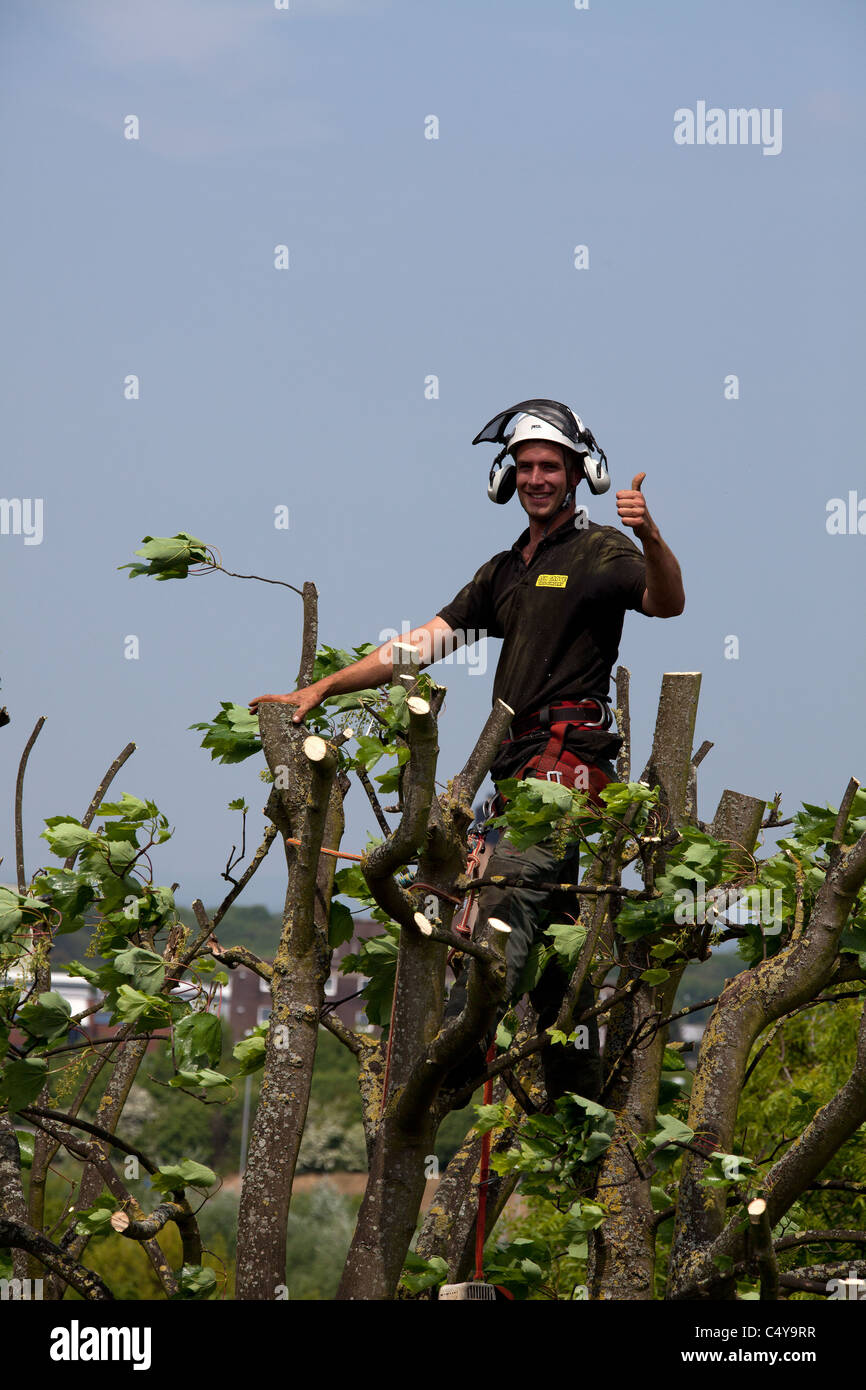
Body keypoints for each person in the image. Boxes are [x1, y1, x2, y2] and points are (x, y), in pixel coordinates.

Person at [250, 398, 684, 1100]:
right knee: (552, 963)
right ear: (506, 476)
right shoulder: (504, 572)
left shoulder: (602, 551)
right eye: (526, 466)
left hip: (566, 772)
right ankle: (580, 1118)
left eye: (551, 466)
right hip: (514, 772)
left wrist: (653, 536)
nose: (537, 477)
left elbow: (667, 604)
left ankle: (454, 1055)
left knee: (503, 904)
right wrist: (326, 687)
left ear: (581, 474)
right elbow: (416, 647)